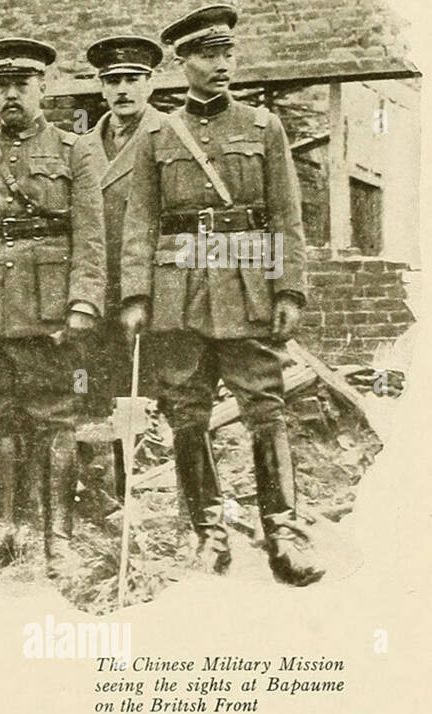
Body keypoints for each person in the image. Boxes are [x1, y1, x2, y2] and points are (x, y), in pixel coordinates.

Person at [119, 4, 322, 585]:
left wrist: (290, 288)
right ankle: (207, 531)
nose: (221, 63)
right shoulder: (156, 133)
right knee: (186, 410)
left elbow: (287, 215)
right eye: (208, 54)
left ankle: (282, 531)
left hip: (246, 278)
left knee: (265, 404)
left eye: (227, 52)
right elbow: (140, 219)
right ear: (181, 62)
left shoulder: (263, 127)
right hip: (178, 285)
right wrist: (136, 294)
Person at [0, 38, 107, 577]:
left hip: (49, 305)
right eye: (1, 86)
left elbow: (91, 237)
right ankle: (4, 527)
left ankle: (59, 538)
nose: (10, 95)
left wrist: (82, 301)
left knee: (55, 418)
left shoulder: (75, 151)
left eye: (21, 85)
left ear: (42, 89)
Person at [77, 35, 166, 499]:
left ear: (150, 83)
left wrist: (144, 289)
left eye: (133, 79)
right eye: (113, 81)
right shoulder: (83, 146)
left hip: (153, 287)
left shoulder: (171, 135)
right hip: (95, 285)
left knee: (155, 386)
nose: (123, 89)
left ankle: (160, 488)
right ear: (101, 87)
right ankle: (107, 489)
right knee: (95, 385)